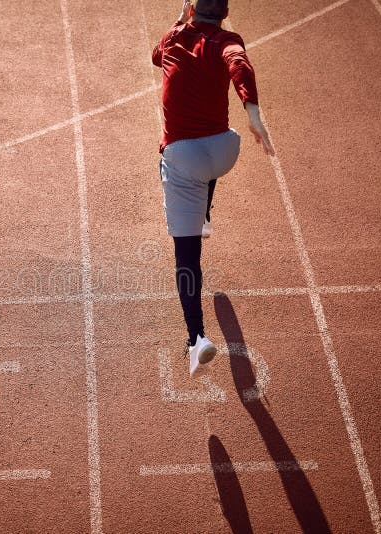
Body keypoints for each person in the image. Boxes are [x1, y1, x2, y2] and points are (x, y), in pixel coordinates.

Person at [152, 0, 274, 377]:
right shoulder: (227, 40)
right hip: (225, 150)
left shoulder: (172, 38)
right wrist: (253, 116)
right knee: (214, 152)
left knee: (186, 257)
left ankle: (196, 339)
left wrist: (178, 18)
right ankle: (204, 214)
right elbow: (240, 64)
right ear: (222, 14)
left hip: (184, 158)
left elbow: (156, 56)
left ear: (191, 11)